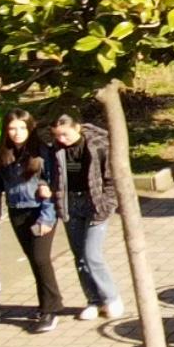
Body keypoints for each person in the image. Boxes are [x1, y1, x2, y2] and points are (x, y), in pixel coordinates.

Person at [42, 112, 123, 320]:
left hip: (95, 202)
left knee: (92, 254)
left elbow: (111, 178)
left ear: (77, 128)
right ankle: (93, 300)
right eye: (57, 136)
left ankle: (111, 297)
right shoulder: (56, 150)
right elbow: (49, 174)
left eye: (65, 135)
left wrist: (107, 203)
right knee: (79, 256)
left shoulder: (97, 145)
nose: (62, 140)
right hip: (70, 203)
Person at [0, 112, 63, 331]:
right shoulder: (3, 153)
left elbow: (51, 185)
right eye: (13, 128)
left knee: (41, 258)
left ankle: (51, 309)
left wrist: (47, 217)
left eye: (22, 128)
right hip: (17, 212)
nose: (17, 133)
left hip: (40, 210)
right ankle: (45, 304)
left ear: (30, 129)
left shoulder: (42, 152)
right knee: (33, 260)